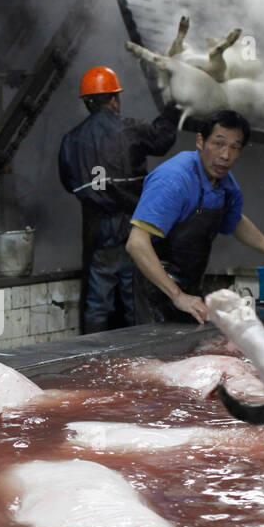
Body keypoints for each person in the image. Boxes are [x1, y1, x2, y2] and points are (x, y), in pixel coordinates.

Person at [126, 109, 264, 325]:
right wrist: (178, 296)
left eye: (234, 147)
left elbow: (235, 220)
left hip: (189, 284)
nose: (225, 155)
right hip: (157, 286)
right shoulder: (173, 180)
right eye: (218, 143)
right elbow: (136, 243)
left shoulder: (224, 184)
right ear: (200, 141)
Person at [58, 65, 178, 333]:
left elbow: (69, 183)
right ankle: (140, 356)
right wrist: (173, 107)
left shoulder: (71, 140)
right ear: (114, 99)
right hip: (133, 229)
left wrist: (99, 193)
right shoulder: (130, 129)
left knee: (97, 303)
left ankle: (89, 357)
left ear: (88, 103)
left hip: (97, 231)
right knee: (135, 300)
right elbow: (161, 140)